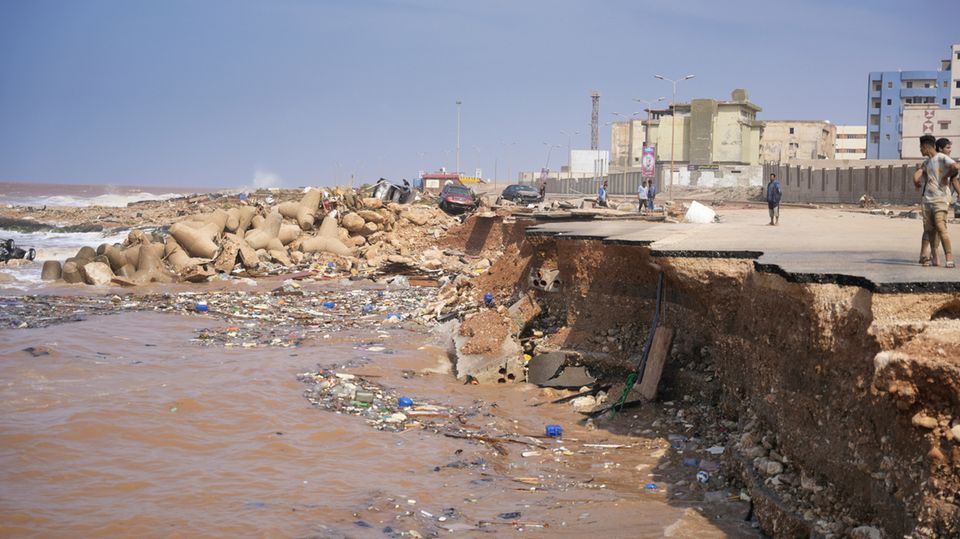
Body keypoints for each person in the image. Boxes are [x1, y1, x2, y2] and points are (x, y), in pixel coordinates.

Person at [914, 135, 960, 267]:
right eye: (948, 147)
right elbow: (920, 172)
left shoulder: (941, 157)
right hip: (927, 200)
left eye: (920, 148)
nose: (920, 150)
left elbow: (956, 167)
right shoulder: (927, 162)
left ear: (925, 147)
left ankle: (949, 257)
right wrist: (915, 181)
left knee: (940, 226)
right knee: (929, 229)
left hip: (941, 199)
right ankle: (934, 258)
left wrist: (945, 176)